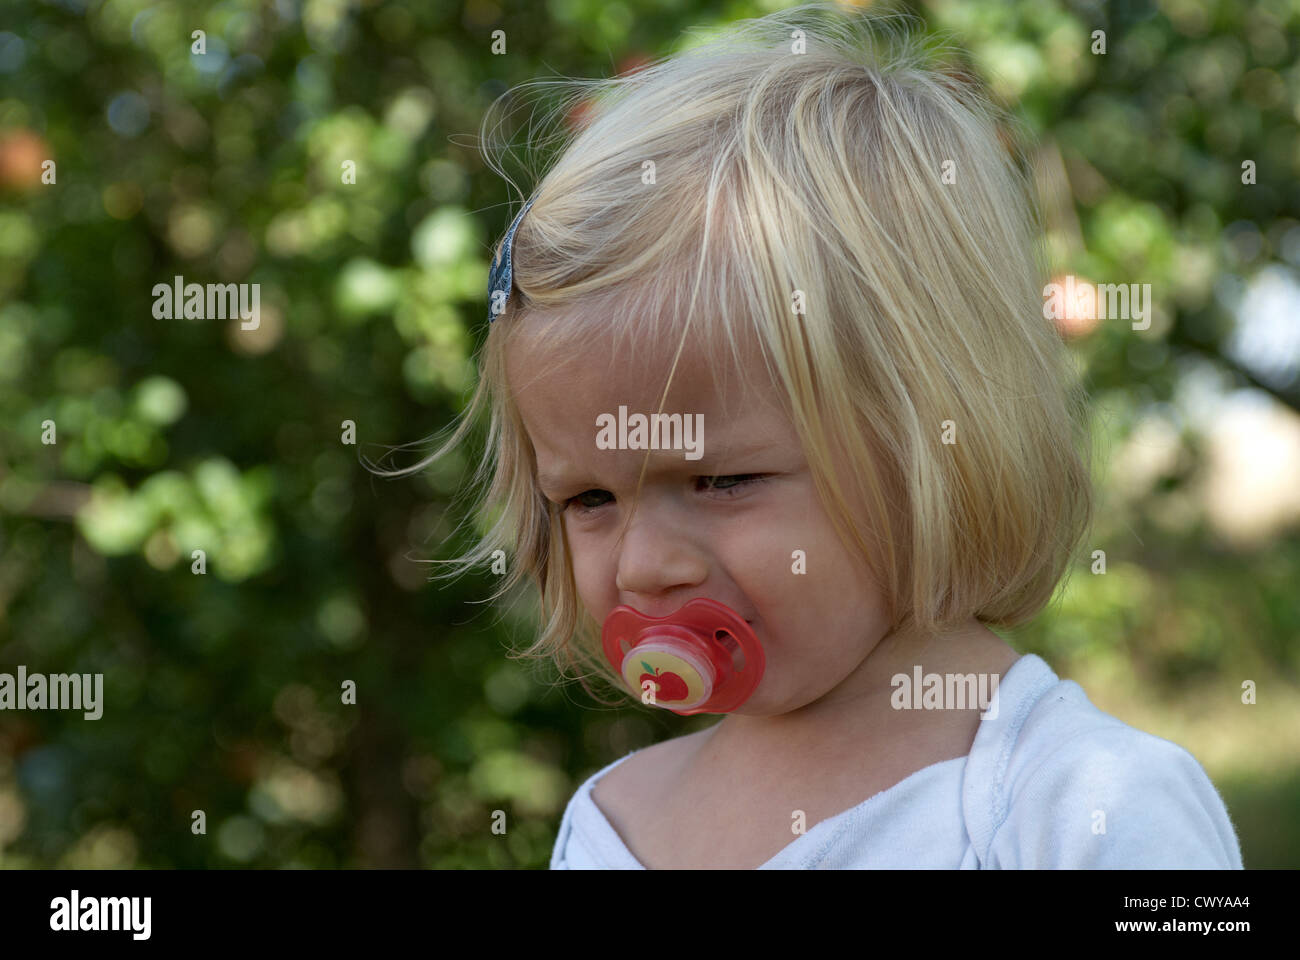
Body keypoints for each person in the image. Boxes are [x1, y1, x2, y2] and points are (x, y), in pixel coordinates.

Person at [384, 4, 1243, 869]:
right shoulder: (614, 821)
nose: (644, 564)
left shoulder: (1077, 803)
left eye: (720, 481)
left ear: (931, 444)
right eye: (589, 498)